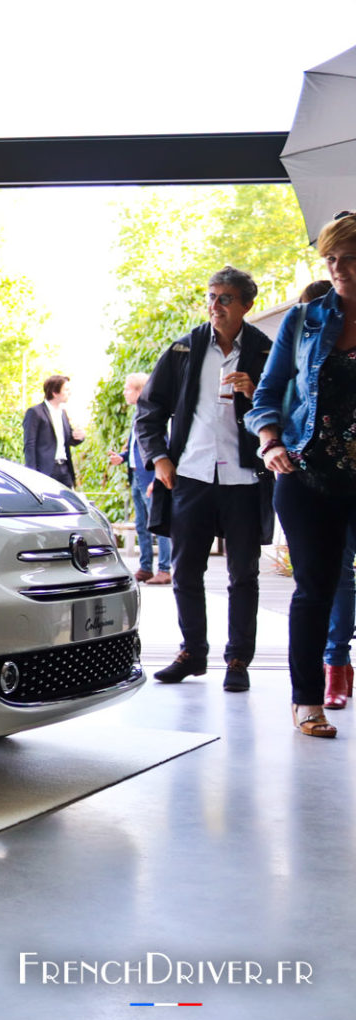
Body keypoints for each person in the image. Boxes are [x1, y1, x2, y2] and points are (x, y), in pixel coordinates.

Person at [135, 266, 274, 693]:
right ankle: (193, 652)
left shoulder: (266, 352)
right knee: (185, 571)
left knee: (243, 575)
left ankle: (238, 659)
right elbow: (149, 410)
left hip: (245, 478)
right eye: (211, 297)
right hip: (191, 475)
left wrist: (256, 393)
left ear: (247, 305)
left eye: (225, 298)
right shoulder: (183, 349)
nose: (215, 305)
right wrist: (159, 459)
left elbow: (288, 409)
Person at [247, 216, 356, 738]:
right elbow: (266, 396)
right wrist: (269, 442)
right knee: (315, 587)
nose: (338, 268)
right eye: (331, 259)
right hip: (308, 473)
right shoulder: (305, 320)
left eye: (350, 257)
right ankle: (307, 699)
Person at [296, 280, 356, 711]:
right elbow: (275, 395)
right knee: (333, 577)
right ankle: (333, 667)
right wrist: (272, 440)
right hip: (322, 472)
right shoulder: (304, 326)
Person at [109, 372, 173, 584]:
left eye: (128, 388)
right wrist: (123, 457)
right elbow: (138, 445)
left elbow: (161, 445)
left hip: (150, 477)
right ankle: (145, 567)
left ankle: (164, 569)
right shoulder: (138, 412)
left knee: (158, 524)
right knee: (142, 525)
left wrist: (157, 478)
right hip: (136, 475)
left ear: (139, 390)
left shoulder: (154, 412)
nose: (124, 392)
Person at [23, 375, 85, 487]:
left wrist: (79, 437)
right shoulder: (35, 412)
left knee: (67, 502)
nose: (69, 393)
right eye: (66, 390)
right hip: (45, 470)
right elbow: (29, 444)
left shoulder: (63, 413)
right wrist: (31, 474)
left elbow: (68, 440)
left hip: (64, 469)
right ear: (55, 392)